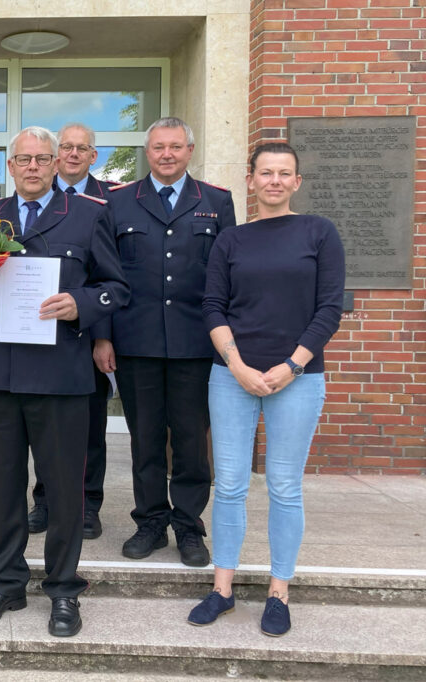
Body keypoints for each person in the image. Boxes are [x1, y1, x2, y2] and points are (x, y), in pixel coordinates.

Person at [0, 127, 129, 637]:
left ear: (57, 164)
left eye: (42, 159)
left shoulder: (89, 213)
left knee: (63, 490)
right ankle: (5, 583)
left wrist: (83, 305)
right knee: (4, 484)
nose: (32, 167)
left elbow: (117, 287)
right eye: (23, 159)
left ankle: (62, 589)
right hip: (2, 374)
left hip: (62, 374)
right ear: (9, 165)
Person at [188, 142, 344, 636]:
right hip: (232, 376)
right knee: (229, 485)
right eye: (266, 172)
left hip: (297, 378)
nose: (274, 180)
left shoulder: (319, 232)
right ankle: (222, 588)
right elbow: (212, 305)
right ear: (250, 180)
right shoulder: (230, 239)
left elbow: (329, 308)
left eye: (285, 173)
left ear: (296, 182)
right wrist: (236, 365)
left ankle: (279, 592)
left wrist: (291, 367)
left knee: (283, 487)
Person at [97, 116, 236, 567]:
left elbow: (228, 278)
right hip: (136, 343)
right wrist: (103, 336)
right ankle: (151, 522)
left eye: (175, 146)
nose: (167, 154)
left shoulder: (216, 201)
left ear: (189, 151)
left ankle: (189, 526)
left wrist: (228, 345)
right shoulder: (118, 203)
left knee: (193, 442)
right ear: (147, 152)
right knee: (146, 440)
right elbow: (105, 275)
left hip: (197, 344)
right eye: (158, 147)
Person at [29, 122, 113, 539]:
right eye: (66, 148)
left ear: (92, 155)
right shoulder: (33, 204)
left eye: (83, 148)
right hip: (35, 340)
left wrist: (103, 334)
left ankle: (87, 503)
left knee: (89, 426)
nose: (74, 154)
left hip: (85, 337)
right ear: (56, 155)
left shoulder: (108, 201)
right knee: (43, 427)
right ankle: (44, 500)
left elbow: (114, 276)